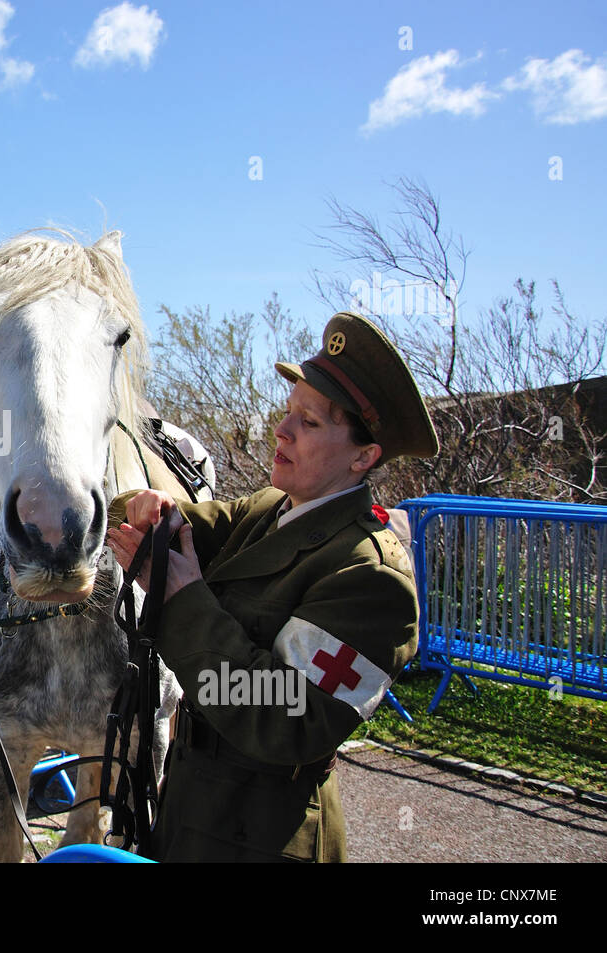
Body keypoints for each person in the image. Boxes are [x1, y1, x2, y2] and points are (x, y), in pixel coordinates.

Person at [106, 311, 438, 862]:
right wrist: (143, 507)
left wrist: (181, 602)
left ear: (364, 456)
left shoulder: (369, 577)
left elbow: (287, 718)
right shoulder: (268, 509)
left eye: (308, 423)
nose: (280, 431)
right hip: (190, 813)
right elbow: (173, 523)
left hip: (261, 836)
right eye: (288, 413)